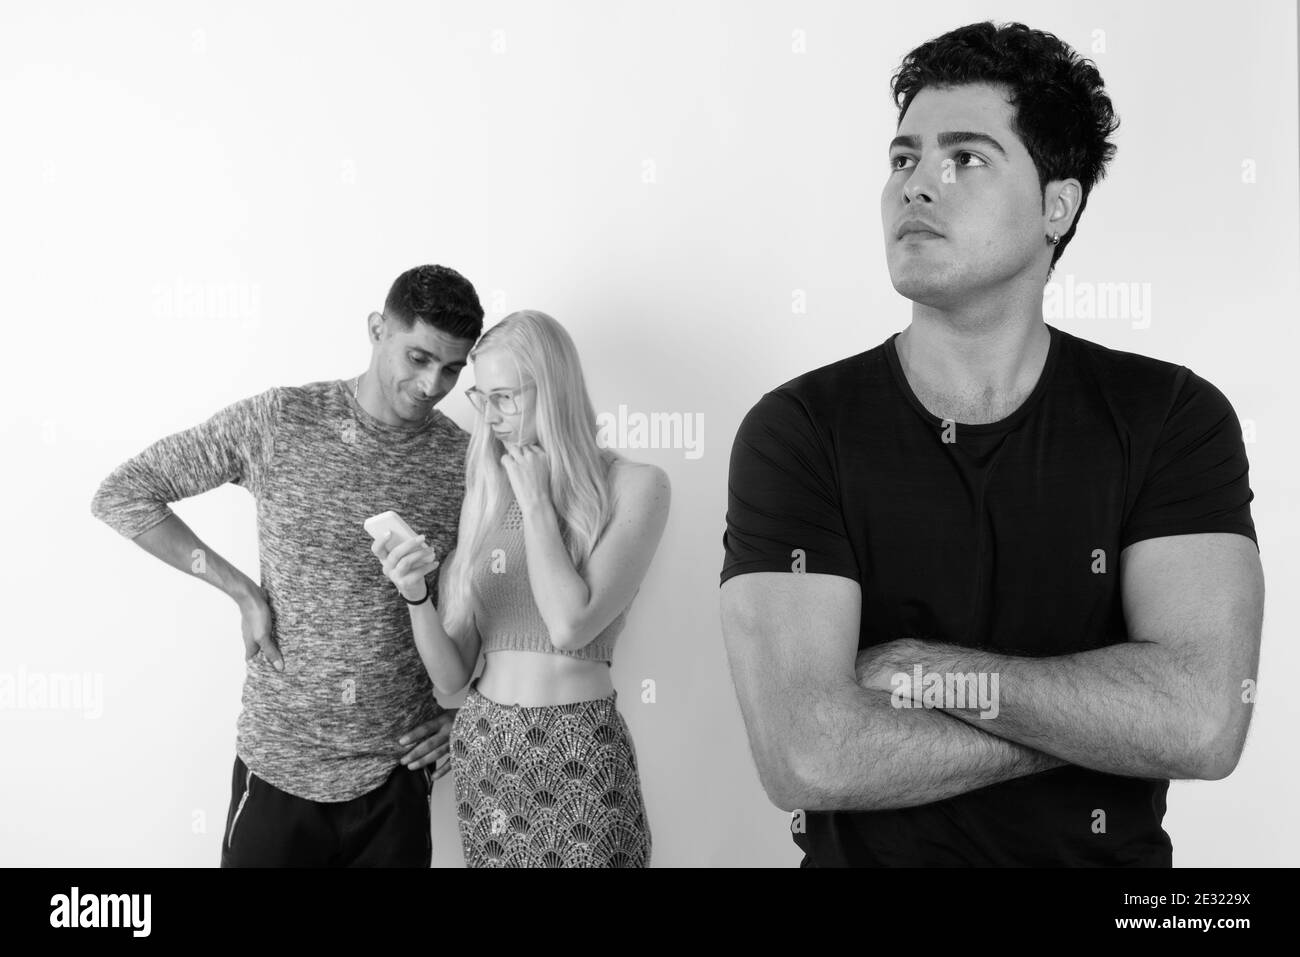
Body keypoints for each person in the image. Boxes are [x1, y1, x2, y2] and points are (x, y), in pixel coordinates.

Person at [719, 21, 1263, 867]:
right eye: (903, 158)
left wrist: (927, 673)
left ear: (1059, 205)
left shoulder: (1171, 416)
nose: (916, 187)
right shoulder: (798, 429)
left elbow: (1202, 721)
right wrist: (1105, 722)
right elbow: (807, 754)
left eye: (964, 158)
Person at [91, 264, 485, 866]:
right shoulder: (282, 421)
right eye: (419, 358)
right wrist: (242, 591)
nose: (433, 384)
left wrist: (471, 708)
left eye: (453, 368)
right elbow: (123, 494)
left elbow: (496, 593)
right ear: (378, 329)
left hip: (396, 775)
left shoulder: (462, 458)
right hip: (279, 763)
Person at [371, 309, 669, 867]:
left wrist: (535, 501)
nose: (491, 416)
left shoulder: (636, 485)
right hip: (487, 747)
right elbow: (453, 677)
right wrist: (415, 594)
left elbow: (569, 624)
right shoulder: (483, 492)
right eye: (481, 398)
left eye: (505, 396)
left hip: (580, 745)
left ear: (553, 389)